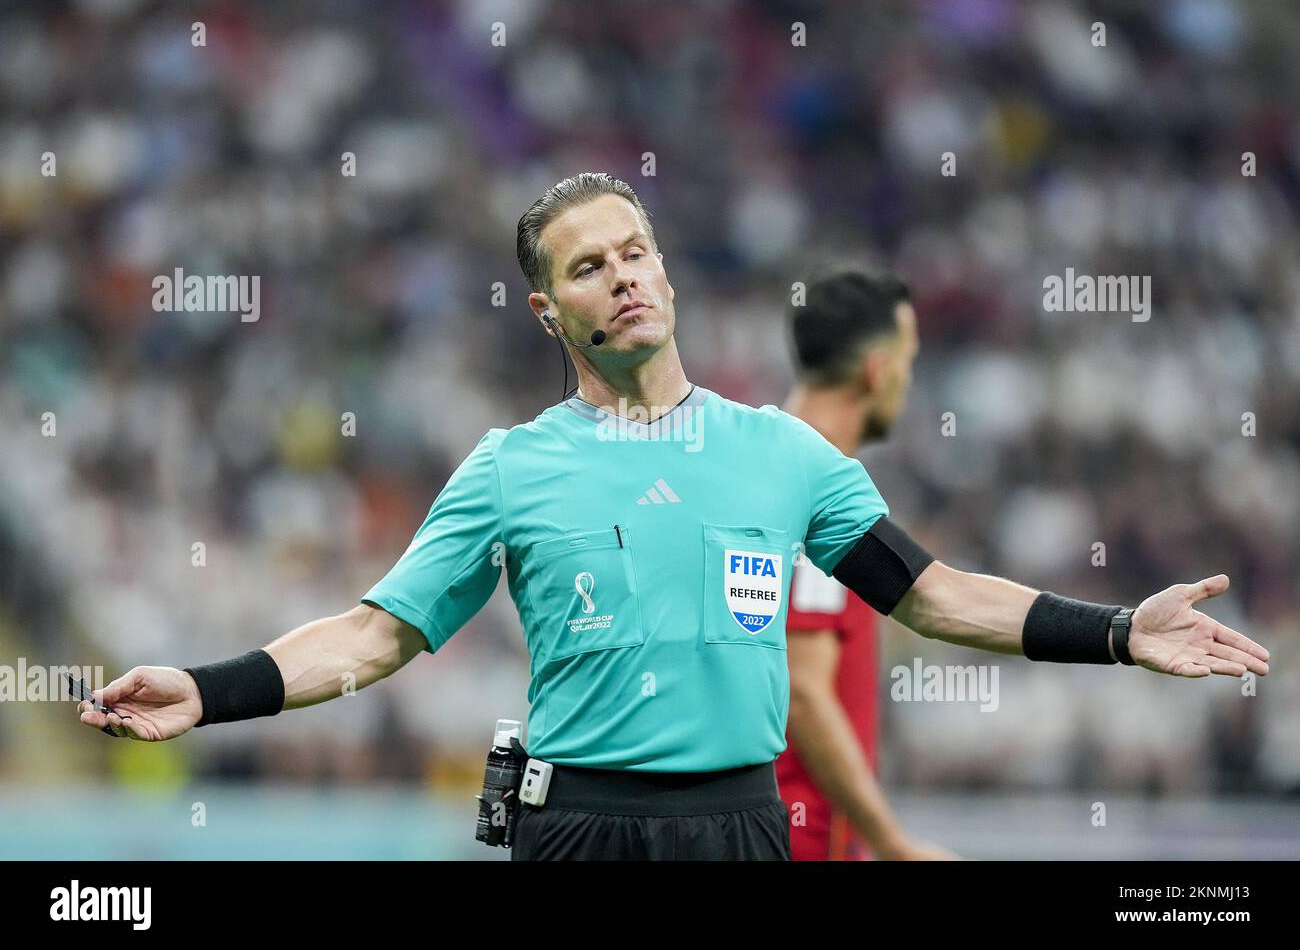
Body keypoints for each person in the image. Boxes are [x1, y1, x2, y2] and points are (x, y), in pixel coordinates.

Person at [79, 173, 1270, 861]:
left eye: (636, 250)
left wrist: (1117, 630)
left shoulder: (779, 453)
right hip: (576, 824)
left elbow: (936, 593)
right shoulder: (509, 468)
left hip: (740, 825)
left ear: (669, 268)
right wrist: (211, 685)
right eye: (589, 267)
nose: (626, 275)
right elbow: (374, 632)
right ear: (550, 313)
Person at [778, 269, 954, 860]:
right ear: (877, 369)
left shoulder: (766, 465)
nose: (908, 378)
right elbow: (804, 689)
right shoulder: (810, 486)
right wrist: (895, 846)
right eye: (909, 358)